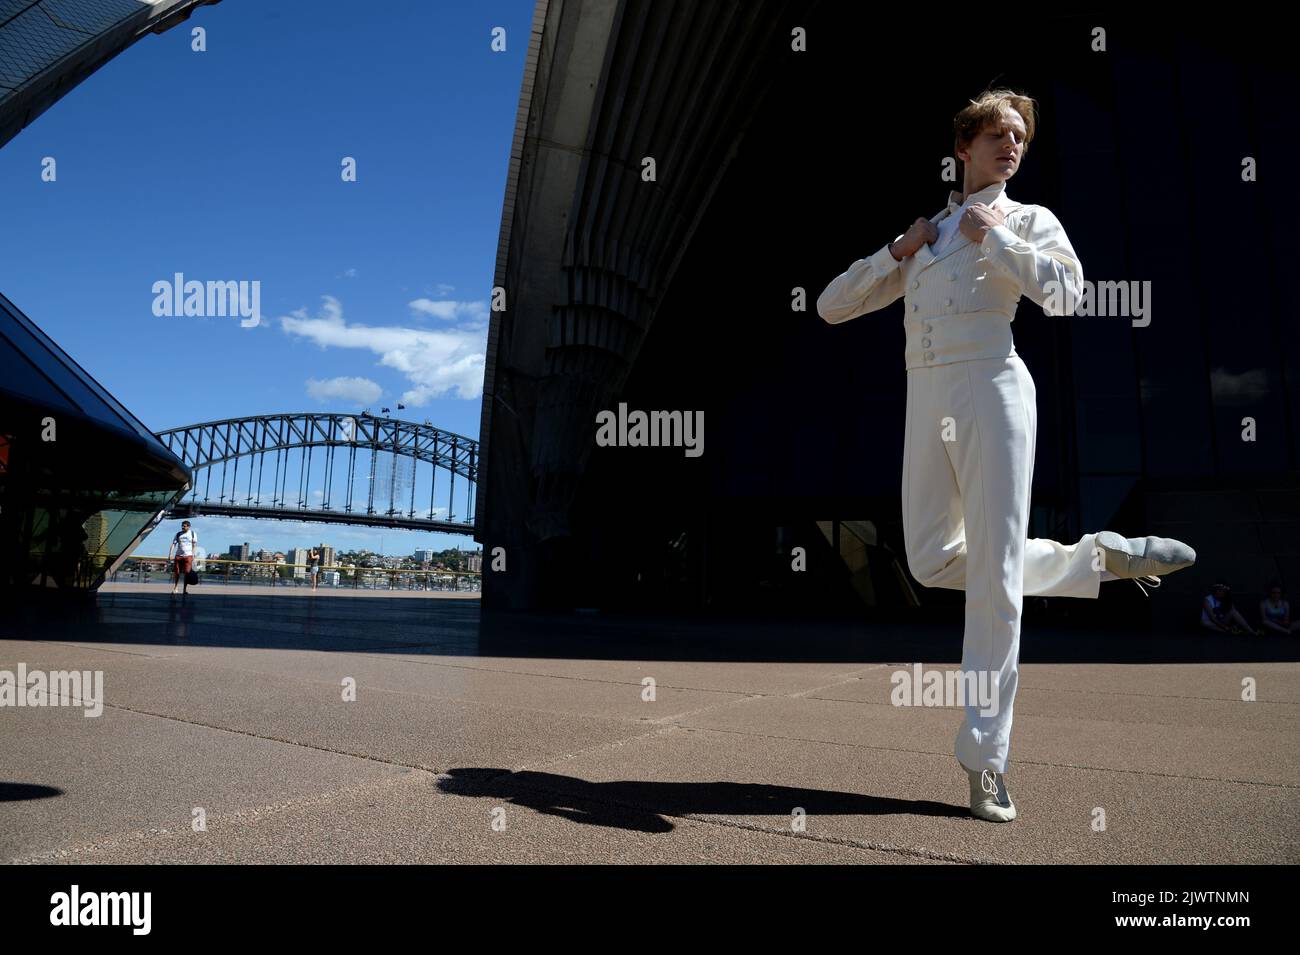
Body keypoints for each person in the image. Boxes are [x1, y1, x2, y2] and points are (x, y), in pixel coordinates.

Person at [816, 89, 1197, 824]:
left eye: (1019, 136)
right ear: (963, 145)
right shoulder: (926, 234)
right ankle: (1095, 558)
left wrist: (1000, 239)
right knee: (931, 560)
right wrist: (897, 250)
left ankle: (985, 758)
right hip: (925, 395)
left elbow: (1068, 293)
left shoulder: (1025, 218)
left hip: (993, 388)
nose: (1010, 145)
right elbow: (832, 305)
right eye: (996, 133)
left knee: (993, 580)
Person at [168, 520, 198, 596]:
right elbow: (174, 544)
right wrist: (170, 554)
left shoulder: (193, 534)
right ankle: (176, 587)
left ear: (188, 526)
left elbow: (194, 545)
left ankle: (185, 589)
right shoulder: (178, 534)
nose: (183, 527)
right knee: (177, 572)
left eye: (184, 526)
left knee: (187, 573)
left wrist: (193, 555)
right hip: (178, 555)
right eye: (182, 526)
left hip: (188, 556)